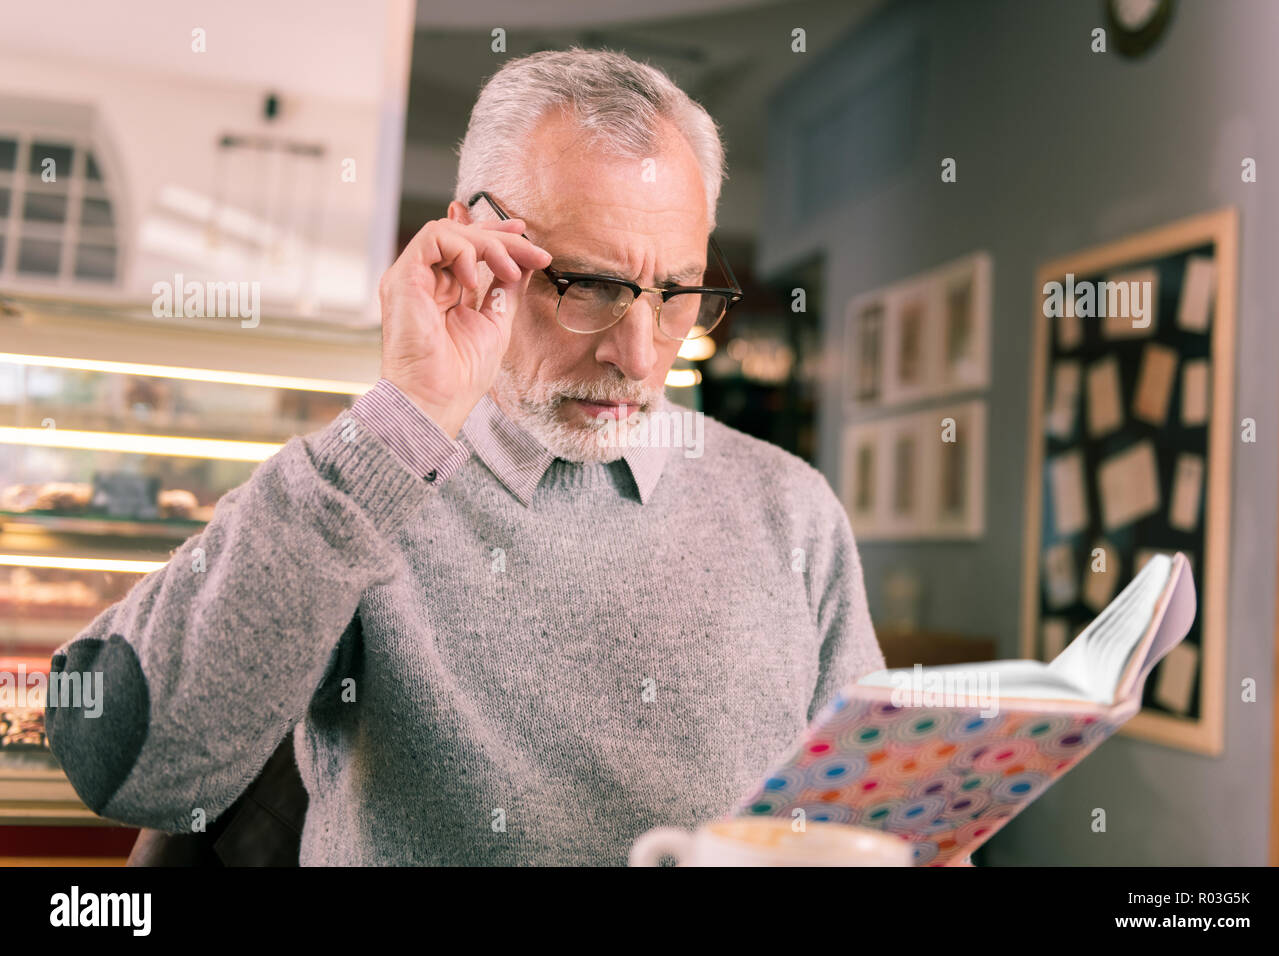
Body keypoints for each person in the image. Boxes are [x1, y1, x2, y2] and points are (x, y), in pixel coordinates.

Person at [45, 47, 884, 865]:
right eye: (588, 286)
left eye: (678, 295)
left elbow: (872, 815)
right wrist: (405, 418)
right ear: (471, 244)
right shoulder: (369, 485)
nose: (638, 355)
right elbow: (127, 757)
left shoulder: (791, 506)